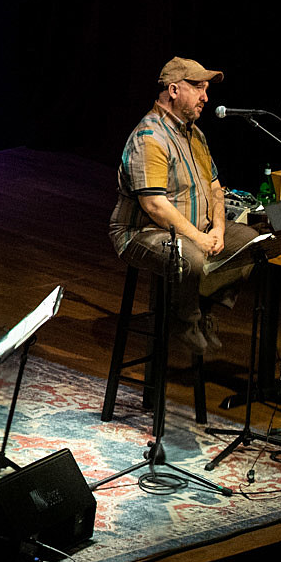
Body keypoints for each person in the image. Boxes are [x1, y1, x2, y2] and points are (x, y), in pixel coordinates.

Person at [109, 57, 259, 359]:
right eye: (198, 88)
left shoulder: (196, 135)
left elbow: (216, 188)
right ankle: (183, 320)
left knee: (250, 241)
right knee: (187, 255)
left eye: (206, 89)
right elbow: (154, 205)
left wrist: (217, 229)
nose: (206, 97)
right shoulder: (149, 136)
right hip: (143, 232)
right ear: (174, 90)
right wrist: (199, 238)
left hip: (193, 230)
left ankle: (201, 309)